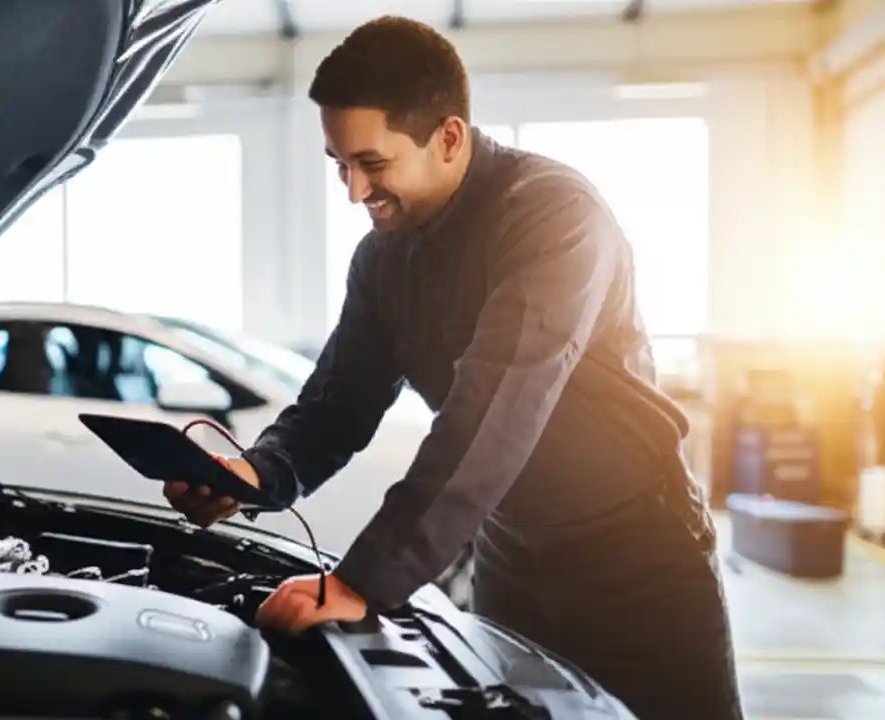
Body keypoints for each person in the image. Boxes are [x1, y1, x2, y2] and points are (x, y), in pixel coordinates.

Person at [163, 16, 742, 720]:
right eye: (339, 165)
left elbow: (495, 409)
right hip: (512, 556)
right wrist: (257, 475)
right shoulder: (382, 257)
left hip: (635, 552)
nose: (353, 191)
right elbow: (339, 401)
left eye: (372, 164)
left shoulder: (554, 217)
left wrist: (364, 581)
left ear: (448, 138)